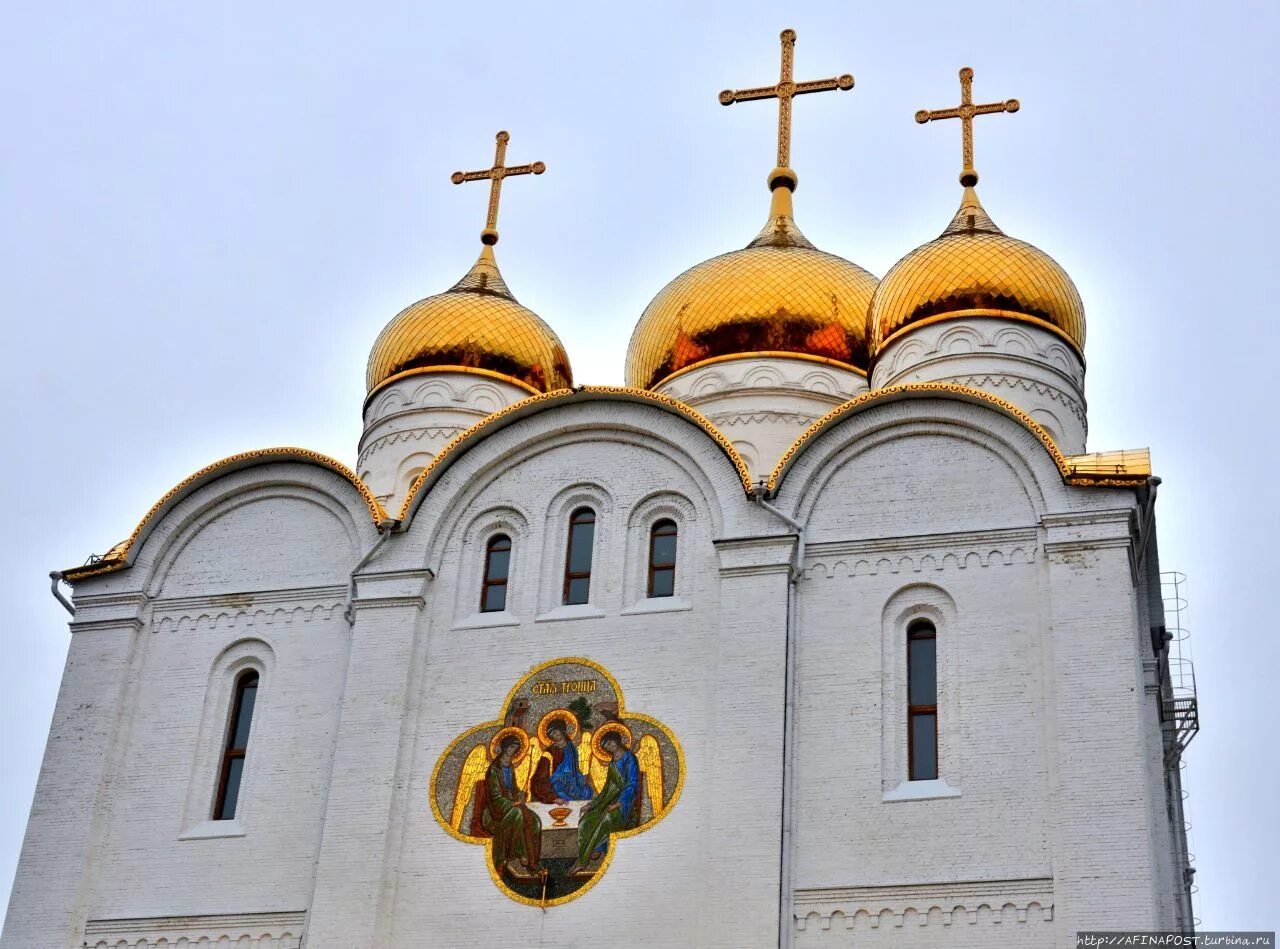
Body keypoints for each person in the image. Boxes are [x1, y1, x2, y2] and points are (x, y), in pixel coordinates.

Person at [568, 731, 639, 877]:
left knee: (606, 818)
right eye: (607, 745)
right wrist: (592, 804)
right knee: (586, 820)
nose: (610, 746)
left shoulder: (629, 759)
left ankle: (583, 860)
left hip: (625, 803)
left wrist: (619, 803)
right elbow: (607, 788)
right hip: (609, 800)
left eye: (611, 742)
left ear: (617, 741)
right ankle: (594, 848)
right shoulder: (613, 761)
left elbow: (632, 785)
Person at [473, 734, 542, 880]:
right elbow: (495, 797)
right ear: (504, 747)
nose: (512, 750)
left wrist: (520, 795)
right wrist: (512, 803)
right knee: (517, 813)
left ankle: (533, 860)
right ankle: (519, 854)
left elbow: (513, 790)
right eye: (510, 747)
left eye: (515, 748)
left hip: (510, 807)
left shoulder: (509, 767)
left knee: (534, 819)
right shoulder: (494, 770)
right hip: (493, 813)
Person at [530, 716, 595, 804]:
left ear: (562, 730)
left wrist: (583, 778)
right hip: (557, 784)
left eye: (556, 731)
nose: (555, 734)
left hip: (573, 782)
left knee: (587, 791)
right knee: (562, 793)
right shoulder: (549, 753)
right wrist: (552, 797)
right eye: (552, 734)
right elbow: (540, 777)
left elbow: (575, 771)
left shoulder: (572, 748)